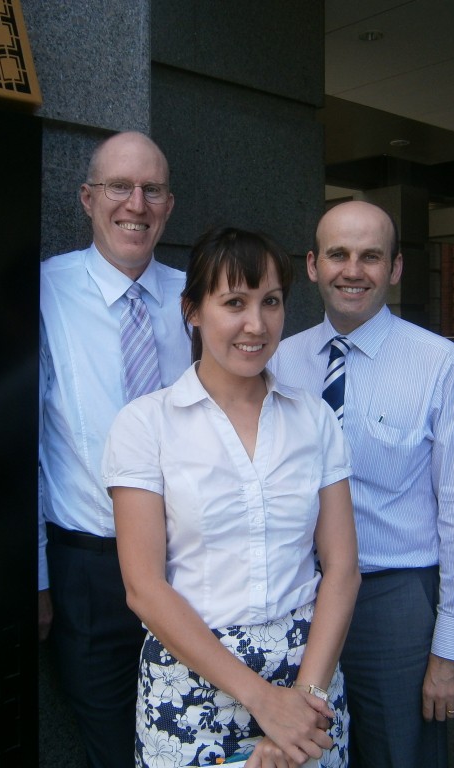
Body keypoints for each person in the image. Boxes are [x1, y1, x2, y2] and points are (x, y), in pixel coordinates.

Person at [103, 227, 361, 767]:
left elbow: (341, 568)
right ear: (192, 311)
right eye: (234, 302)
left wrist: (305, 703)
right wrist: (265, 702)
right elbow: (143, 587)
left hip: (307, 671)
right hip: (193, 679)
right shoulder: (145, 424)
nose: (256, 324)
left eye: (271, 302)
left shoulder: (313, 416)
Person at [269, 200, 454, 768]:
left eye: (371, 256)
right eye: (338, 254)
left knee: (399, 755)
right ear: (313, 265)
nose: (352, 270)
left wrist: (450, 650)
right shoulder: (278, 361)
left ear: (396, 268)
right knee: (306, 753)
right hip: (297, 596)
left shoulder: (441, 364)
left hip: (396, 599)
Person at [38, 131, 192, 768]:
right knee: (110, 750)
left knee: (189, 741)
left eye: (152, 189)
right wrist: (38, 579)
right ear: (87, 198)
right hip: (89, 574)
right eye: (119, 187)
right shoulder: (41, 293)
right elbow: (16, 447)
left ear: (169, 204)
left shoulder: (198, 299)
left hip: (192, 568)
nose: (137, 203)